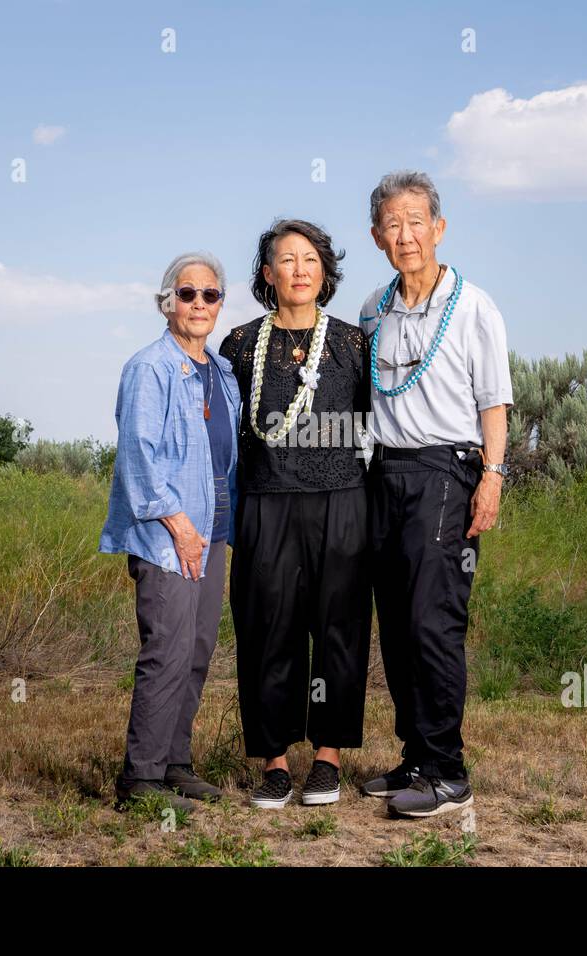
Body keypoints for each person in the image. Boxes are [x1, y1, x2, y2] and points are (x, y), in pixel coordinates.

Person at [357, 171, 513, 818]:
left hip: (447, 473)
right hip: (383, 476)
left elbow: (494, 400)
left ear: (439, 228)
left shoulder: (473, 304)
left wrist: (493, 478)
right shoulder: (373, 310)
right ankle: (415, 757)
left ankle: (448, 773)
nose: (405, 235)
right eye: (392, 224)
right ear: (377, 237)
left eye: (416, 221)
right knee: (394, 627)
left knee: (431, 621)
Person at [219, 219, 372, 809]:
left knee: (339, 628)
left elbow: (372, 425)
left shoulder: (355, 344)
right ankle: (276, 762)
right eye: (287, 260)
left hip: (341, 501)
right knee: (266, 630)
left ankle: (329, 758)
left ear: (324, 272)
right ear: (267, 274)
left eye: (310, 259)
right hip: (266, 503)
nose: (300, 270)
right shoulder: (238, 344)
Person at [99, 251, 240, 813]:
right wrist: (178, 524)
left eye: (210, 295)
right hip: (168, 535)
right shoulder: (150, 367)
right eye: (188, 294)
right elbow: (139, 457)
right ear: (167, 303)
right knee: (168, 649)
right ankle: (141, 777)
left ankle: (176, 763)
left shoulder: (221, 371)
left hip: (215, 530)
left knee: (199, 649)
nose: (199, 304)